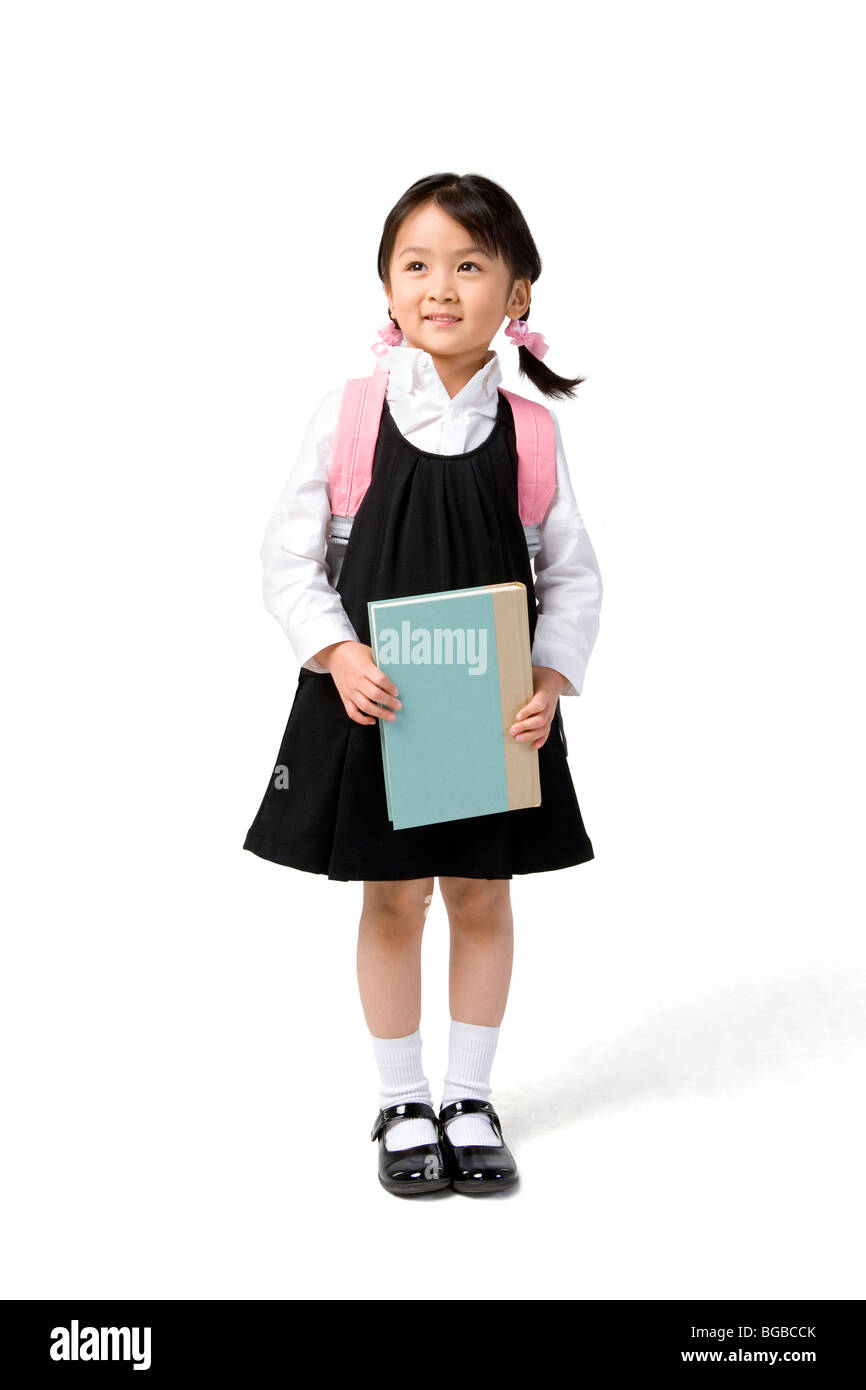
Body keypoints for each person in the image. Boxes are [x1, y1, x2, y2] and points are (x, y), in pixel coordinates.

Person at [243, 172, 603, 1197]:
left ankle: (470, 1093)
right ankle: (403, 1097)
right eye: (416, 264)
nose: (439, 285)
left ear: (516, 295)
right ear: (386, 287)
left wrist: (549, 674)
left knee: (480, 894)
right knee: (393, 895)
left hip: (494, 713)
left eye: (468, 264)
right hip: (380, 707)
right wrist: (337, 652)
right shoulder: (350, 415)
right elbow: (288, 559)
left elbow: (571, 572)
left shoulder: (531, 433)